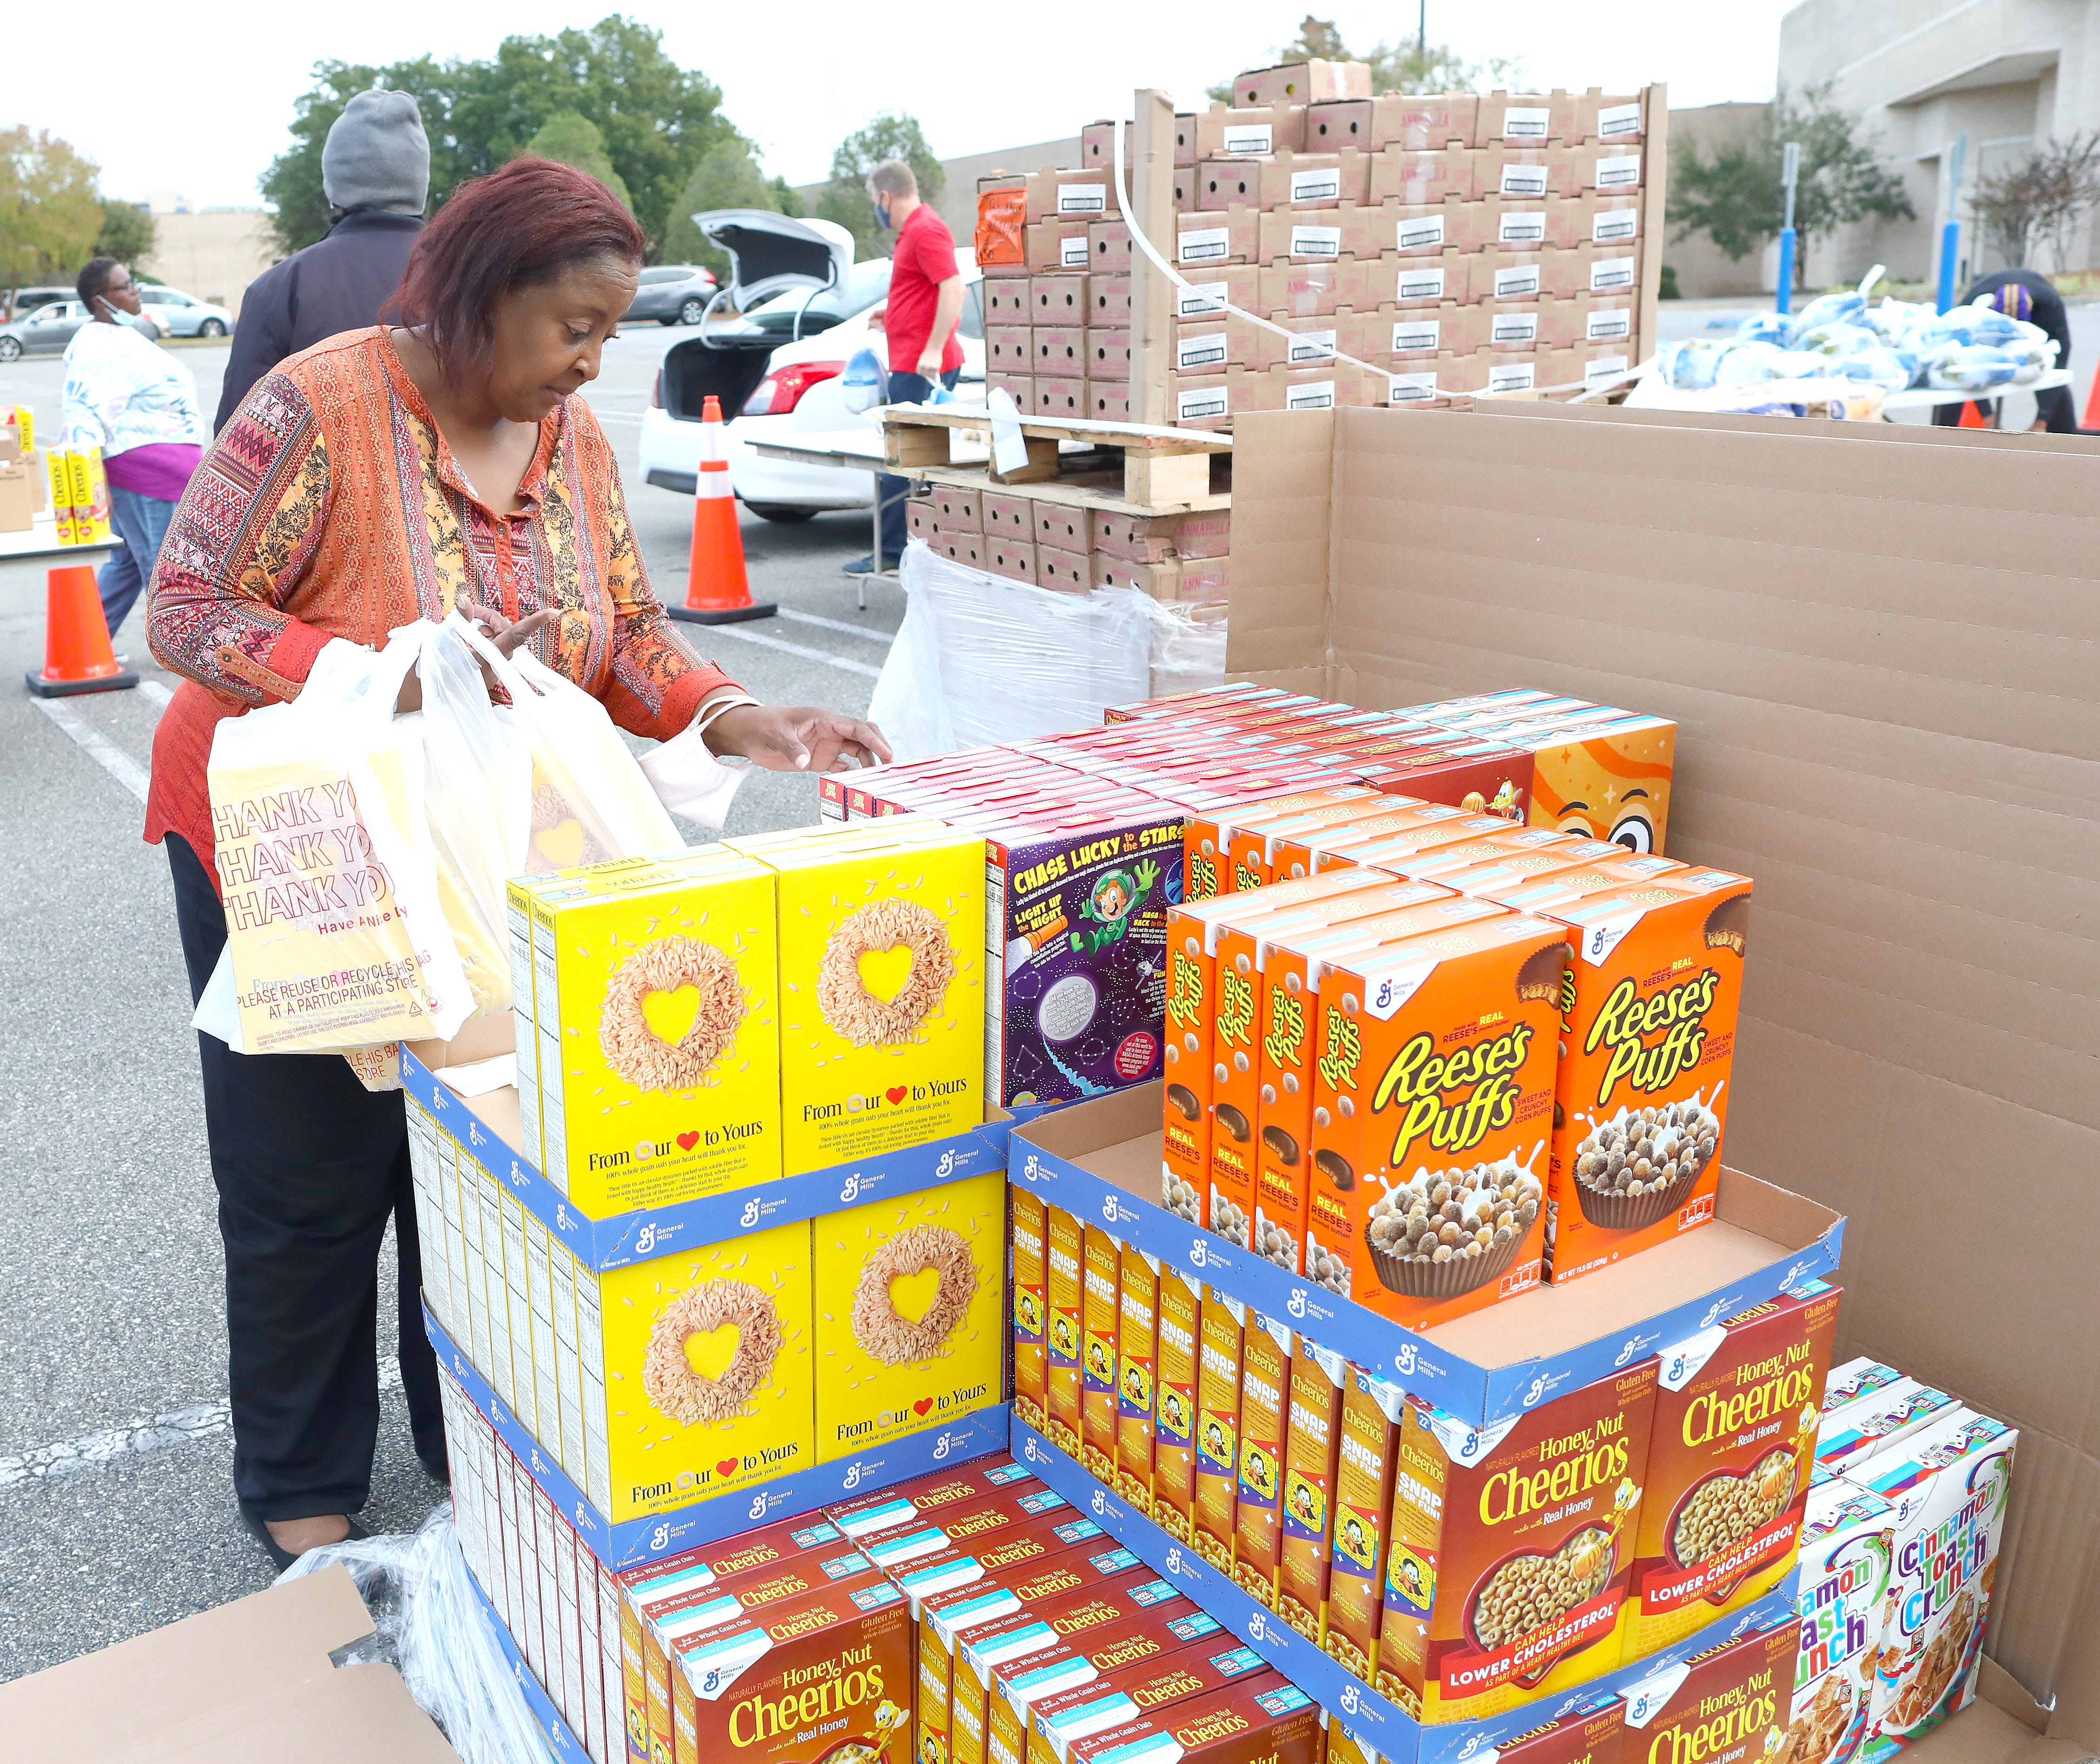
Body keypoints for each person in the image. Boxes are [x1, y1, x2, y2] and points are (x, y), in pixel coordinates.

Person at [146, 157, 890, 1571]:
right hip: (295, 842)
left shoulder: (573, 439)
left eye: (610, 331)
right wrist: (372, 678)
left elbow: (621, 632)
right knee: (311, 1170)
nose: (595, 359)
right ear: (480, 299)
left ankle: (465, 1443)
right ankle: (302, 1498)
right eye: (574, 329)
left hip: (481, 841)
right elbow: (185, 610)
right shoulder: (324, 401)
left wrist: (745, 714)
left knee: (471, 1152)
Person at [214, 89, 432, 429]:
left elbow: (237, 445)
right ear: (420, 180)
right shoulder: (477, 279)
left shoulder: (279, 288)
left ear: (335, 187)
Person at [61, 257, 208, 637]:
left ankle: (84, 642)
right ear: (101, 300)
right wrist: (96, 489)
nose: (135, 291)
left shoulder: (123, 338)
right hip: (144, 480)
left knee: (127, 564)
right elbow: (84, 415)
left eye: (133, 283)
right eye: (125, 287)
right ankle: (179, 649)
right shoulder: (96, 345)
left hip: (164, 478)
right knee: (163, 570)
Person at [850, 158, 964, 576]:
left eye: (874, 201)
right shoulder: (914, 231)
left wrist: (932, 350)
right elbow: (925, 292)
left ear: (885, 196)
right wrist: (892, 315)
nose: (875, 209)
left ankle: (894, 552)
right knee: (912, 461)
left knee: (901, 462)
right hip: (913, 362)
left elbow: (954, 288)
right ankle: (911, 551)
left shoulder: (925, 229)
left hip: (920, 368)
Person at [1930, 268, 2080, 433]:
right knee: (1954, 376)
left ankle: (2065, 437)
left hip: (2038, 329)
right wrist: (1987, 414)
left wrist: (2042, 419)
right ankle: (1940, 436)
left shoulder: (2049, 304)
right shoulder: (1973, 308)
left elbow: (2062, 356)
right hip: (1986, 332)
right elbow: (1964, 363)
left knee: (2054, 379)